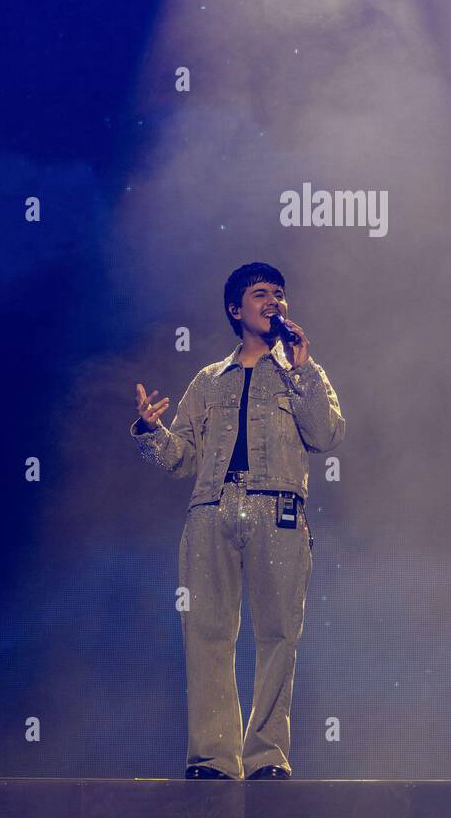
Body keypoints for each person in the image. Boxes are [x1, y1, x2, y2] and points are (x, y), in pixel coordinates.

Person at [130, 262, 345, 780]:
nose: (273, 301)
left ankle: (267, 756)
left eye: (279, 294)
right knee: (206, 632)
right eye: (260, 294)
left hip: (280, 512)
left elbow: (327, 434)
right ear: (235, 309)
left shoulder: (300, 371)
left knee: (279, 634)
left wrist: (302, 370)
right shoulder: (208, 380)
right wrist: (148, 430)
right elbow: (181, 457)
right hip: (211, 512)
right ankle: (213, 758)